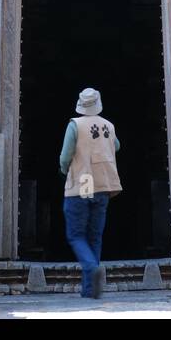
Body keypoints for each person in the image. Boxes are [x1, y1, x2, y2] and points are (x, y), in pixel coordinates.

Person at [59, 87, 122, 299]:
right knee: (95, 236)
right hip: (103, 183)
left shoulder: (75, 125)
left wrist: (64, 170)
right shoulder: (109, 126)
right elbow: (117, 146)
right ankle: (89, 290)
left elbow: (65, 156)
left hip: (84, 182)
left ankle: (90, 267)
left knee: (76, 234)